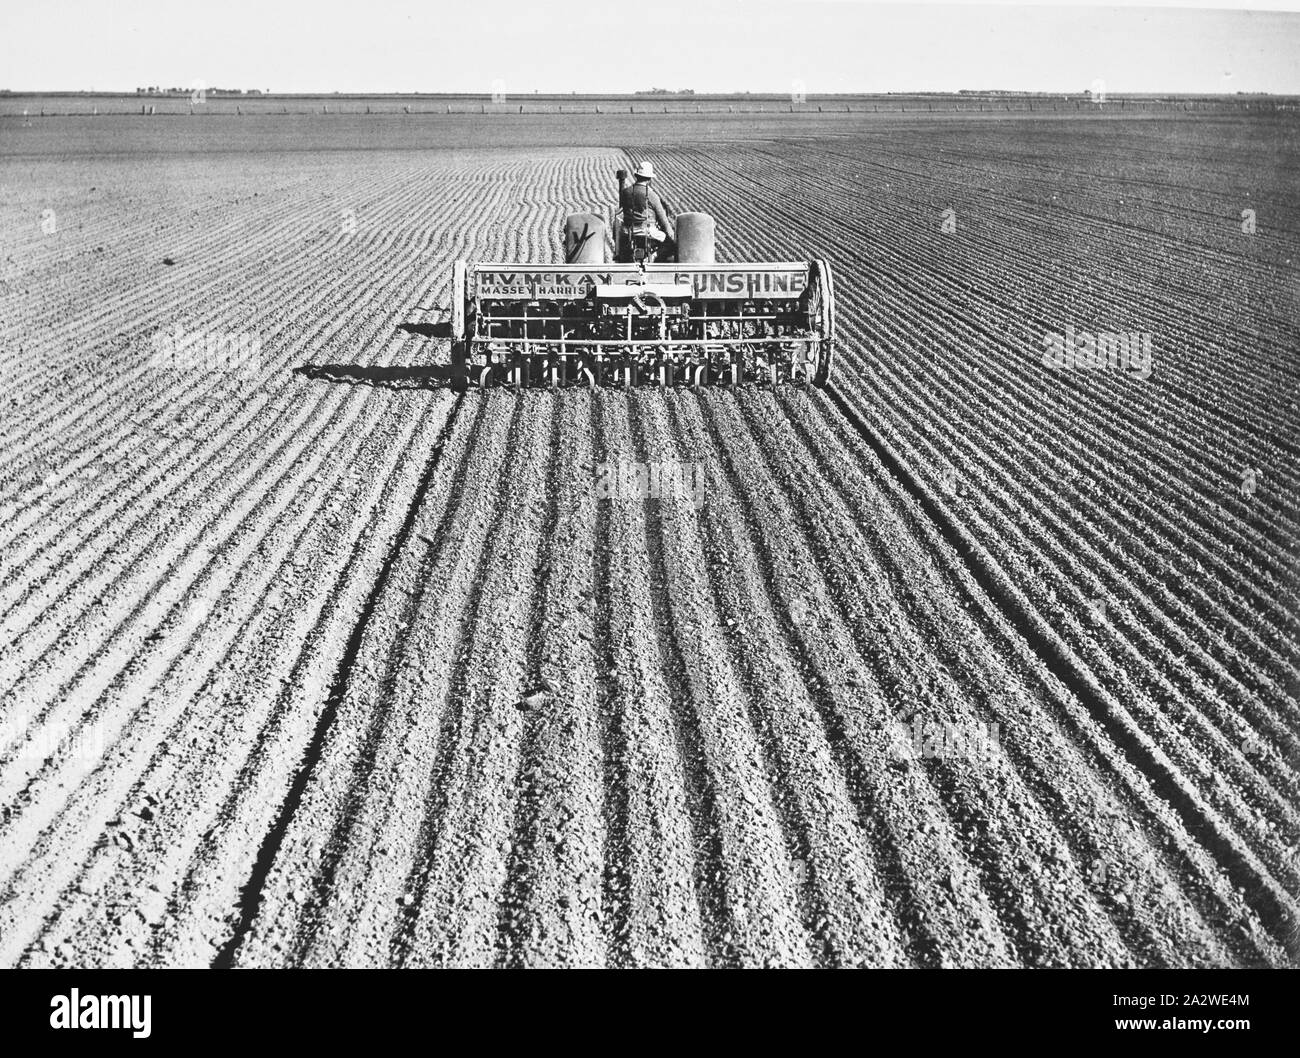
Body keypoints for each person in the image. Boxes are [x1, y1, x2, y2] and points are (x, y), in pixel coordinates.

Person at [616, 161, 675, 262]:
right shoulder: (652, 196)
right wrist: (671, 234)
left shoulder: (625, 192)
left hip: (629, 232)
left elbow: (621, 210)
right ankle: (655, 256)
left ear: (636, 176)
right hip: (648, 231)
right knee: (670, 244)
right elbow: (663, 219)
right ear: (649, 179)